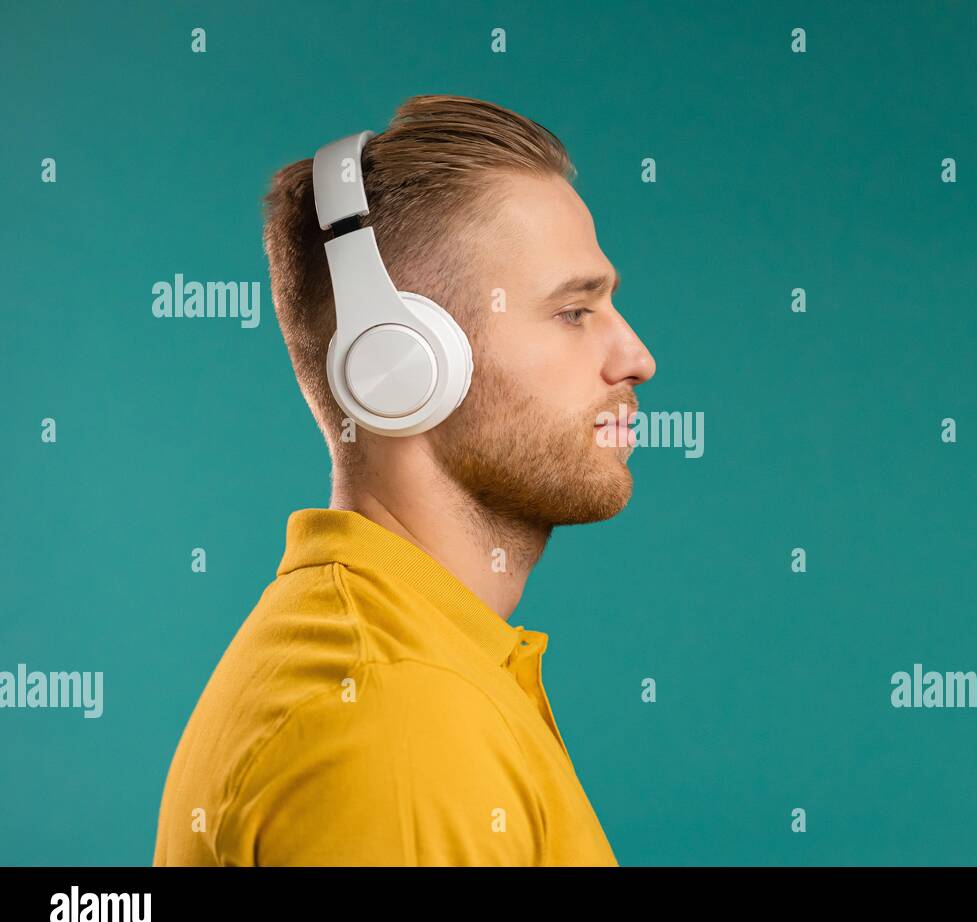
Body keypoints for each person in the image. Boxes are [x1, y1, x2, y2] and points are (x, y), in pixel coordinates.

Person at [153, 94, 655, 866]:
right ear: (404, 365)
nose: (635, 358)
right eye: (573, 312)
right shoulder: (396, 722)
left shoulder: (418, 663)